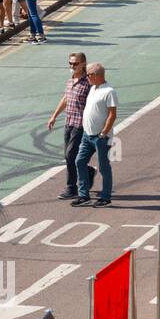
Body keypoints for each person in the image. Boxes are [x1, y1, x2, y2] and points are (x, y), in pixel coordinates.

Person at [48, 51, 93, 201]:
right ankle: (88, 172)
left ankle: (71, 188)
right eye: (70, 63)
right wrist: (54, 116)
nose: (72, 66)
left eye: (75, 63)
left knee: (70, 155)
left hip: (81, 124)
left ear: (83, 64)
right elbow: (66, 98)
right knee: (69, 156)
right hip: (69, 123)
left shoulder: (88, 83)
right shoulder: (70, 81)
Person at [72, 63, 118, 209]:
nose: (87, 77)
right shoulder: (93, 88)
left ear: (97, 75)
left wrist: (104, 132)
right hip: (87, 135)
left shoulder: (109, 91)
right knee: (79, 161)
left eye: (89, 75)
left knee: (104, 167)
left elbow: (112, 114)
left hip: (100, 138)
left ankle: (105, 198)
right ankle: (84, 195)